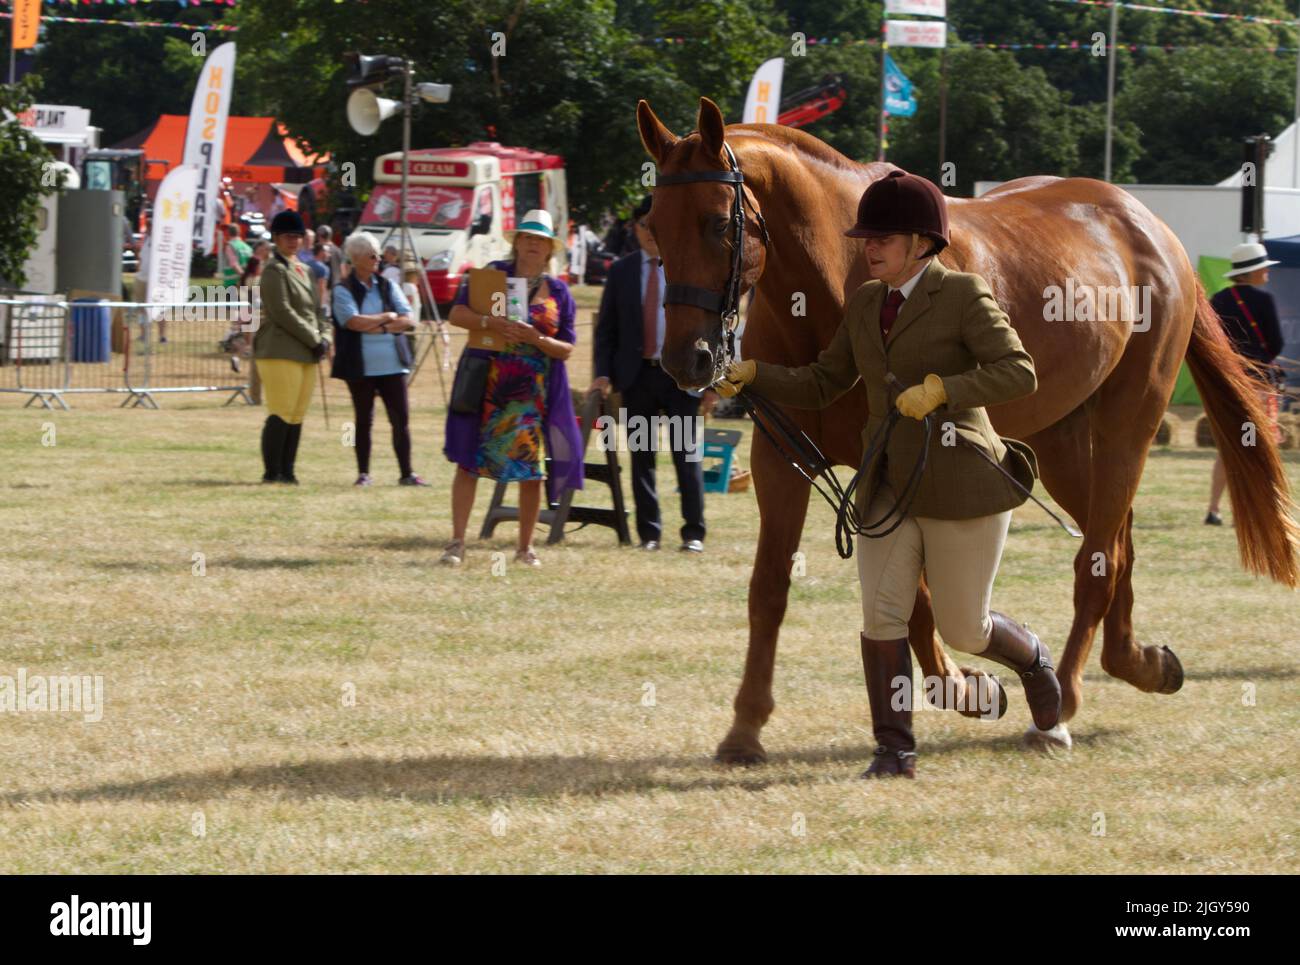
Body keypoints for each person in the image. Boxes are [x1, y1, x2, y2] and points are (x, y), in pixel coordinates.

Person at [717, 170, 1061, 778]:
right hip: (887, 483)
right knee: (882, 615)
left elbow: (1018, 372)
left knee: (963, 626)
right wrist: (756, 374)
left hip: (961, 481)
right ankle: (893, 749)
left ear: (923, 242)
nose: (868, 246)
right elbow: (826, 381)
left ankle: (1034, 663)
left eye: (884, 238)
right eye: (865, 237)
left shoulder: (964, 295)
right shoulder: (866, 301)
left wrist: (943, 391)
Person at [442, 208, 584, 568]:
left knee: (532, 470)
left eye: (540, 240)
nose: (533, 244)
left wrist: (537, 338)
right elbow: (456, 314)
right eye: (527, 237)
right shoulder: (492, 276)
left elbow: (566, 348)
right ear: (517, 242)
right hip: (487, 386)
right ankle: (457, 542)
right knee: (468, 461)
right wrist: (491, 321)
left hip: (533, 393)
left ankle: (525, 548)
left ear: (550, 249)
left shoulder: (559, 292)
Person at [593, 194, 711, 552]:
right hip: (636, 376)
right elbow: (606, 330)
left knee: (686, 458)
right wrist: (603, 373)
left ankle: (693, 533)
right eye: (643, 224)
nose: (649, 231)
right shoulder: (622, 271)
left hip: (682, 377)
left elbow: (711, 326)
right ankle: (650, 534)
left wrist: (713, 382)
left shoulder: (689, 267)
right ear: (635, 228)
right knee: (641, 458)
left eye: (655, 224)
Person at [331, 232, 428, 487]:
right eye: (371, 255)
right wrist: (386, 316)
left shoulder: (388, 285)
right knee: (363, 421)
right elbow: (352, 321)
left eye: (378, 254)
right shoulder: (343, 289)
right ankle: (363, 473)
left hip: (394, 365)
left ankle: (407, 473)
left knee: (401, 420)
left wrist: (377, 326)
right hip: (360, 367)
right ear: (356, 259)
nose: (378, 259)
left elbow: (407, 319)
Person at [1206, 242, 1285, 526]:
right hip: (1257, 385)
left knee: (1231, 446)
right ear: (1252, 271)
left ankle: (1214, 508)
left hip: (1229, 384)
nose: (1266, 272)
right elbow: (1275, 343)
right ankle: (1250, 510)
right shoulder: (1264, 301)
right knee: (1252, 445)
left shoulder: (1218, 300)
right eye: (1263, 267)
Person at [253, 210, 332, 484]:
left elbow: (318, 309)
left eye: (297, 236)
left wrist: (326, 336)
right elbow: (282, 311)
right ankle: (272, 471)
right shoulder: (274, 271)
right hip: (280, 349)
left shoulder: (306, 270)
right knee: (282, 411)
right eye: (288, 236)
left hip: (306, 351)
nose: (293, 241)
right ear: (276, 238)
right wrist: (314, 338)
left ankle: (288, 470)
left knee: (297, 413)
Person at [222, 224, 252, 288]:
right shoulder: (248, 247)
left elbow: (234, 264)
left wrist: (243, 276)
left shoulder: (230, 246)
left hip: (232, 283)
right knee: (247, 298)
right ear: (239, 232)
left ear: (228, 232)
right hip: (246, 282)